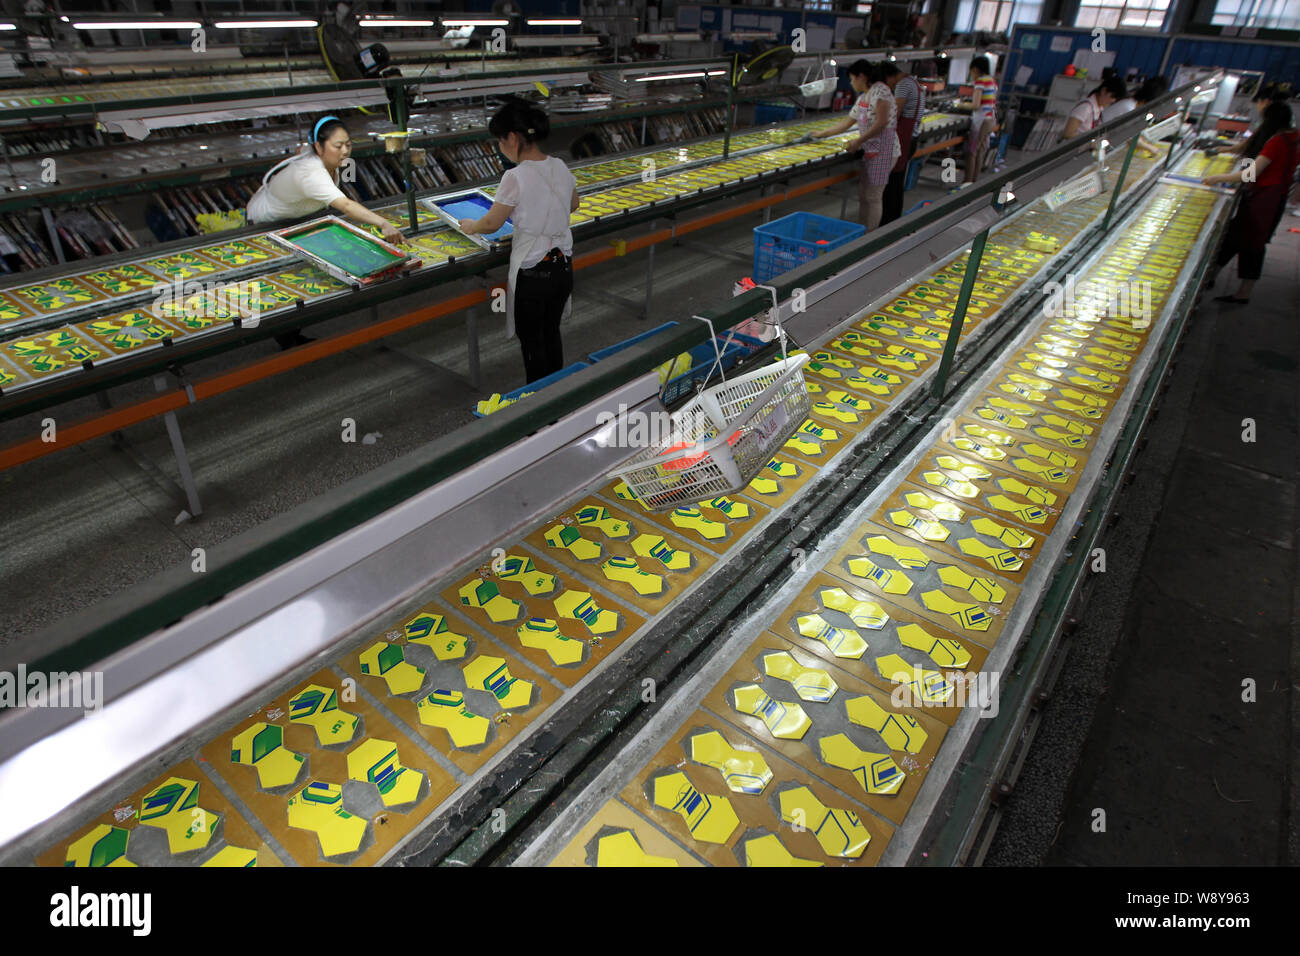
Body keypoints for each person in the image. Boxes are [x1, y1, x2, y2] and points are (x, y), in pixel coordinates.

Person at [459, 100, 578, 383]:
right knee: (551, 332)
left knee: (532, 342)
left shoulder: (515, 176)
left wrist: (470, 226)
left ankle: (539, 411)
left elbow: (492, 223)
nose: (500, 148)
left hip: (534, 275)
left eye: (500, 141)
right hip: (562, 269)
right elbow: (573, 204)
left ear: (512, 138)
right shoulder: (560, 165)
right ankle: (557, 398)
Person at [246, 116, 404, 245]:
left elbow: (304, 149)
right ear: (319, 147)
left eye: (348, 145)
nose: (345, 151)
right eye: (338, 146)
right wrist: (383, 223)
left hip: (298, 216)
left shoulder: (326, 157)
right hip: (265, 223)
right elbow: (346, 206)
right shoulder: (310, 173)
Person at [1202, 102, 1300, 304]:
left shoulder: (1277, 141)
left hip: (1264, 199)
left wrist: (1219, 177)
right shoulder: (1294, 136)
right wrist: (1221, 150)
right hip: (1276, 196)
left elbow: (1251, 173)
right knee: (1236, 238)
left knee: (1251, 244)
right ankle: (1211, 278)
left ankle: (1242, 292)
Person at [812, 61, 898, 229]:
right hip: (871, 151)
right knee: (864, 195)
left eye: (852, 79)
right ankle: (864, 229)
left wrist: (858, 141)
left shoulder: (881, 91)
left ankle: (869, 236)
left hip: (884, 151)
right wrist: (820, 134)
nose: (851, 83)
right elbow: (846, 123)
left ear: (862, 76)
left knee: (873, 196)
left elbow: (881, 123)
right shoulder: (863, 98)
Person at [882, 63, 926, 224]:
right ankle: (892, 219)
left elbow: (895, 113)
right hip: (910, 139)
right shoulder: (914, 83)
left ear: (889, 77)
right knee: (896, 182)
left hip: (902, 141)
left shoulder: (903, 84)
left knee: (892, 184)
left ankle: (887, 221)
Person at [1062, 75, 1128, 140]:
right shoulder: (1086, 108)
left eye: (1116, 99)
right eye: (1112, 97)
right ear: (1104, 91)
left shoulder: (1098, 108)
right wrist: (1090, 141)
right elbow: (1067, 133)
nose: (1113, 101)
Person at [965, 56, 998, 184]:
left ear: (976, 69)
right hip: (990, 120)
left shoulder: (980, 82)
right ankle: (974, 182)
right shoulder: (992, 81)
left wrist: (960, 105)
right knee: (980, 151)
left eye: (972, 71)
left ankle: (966, 183)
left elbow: (976, 105)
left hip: (981, 121)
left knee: (972, 152)